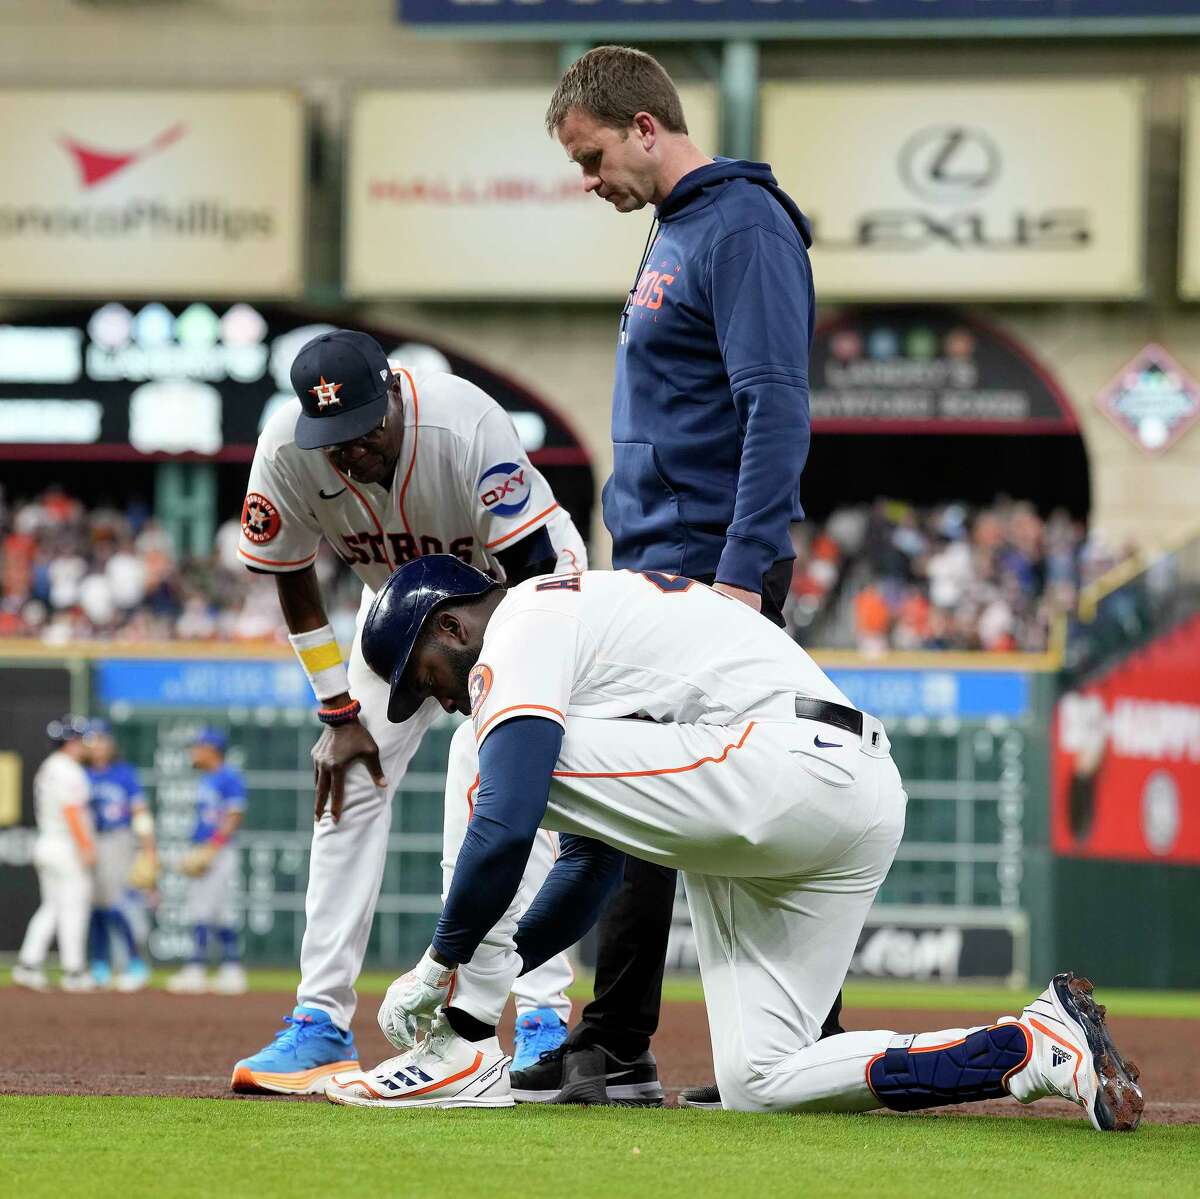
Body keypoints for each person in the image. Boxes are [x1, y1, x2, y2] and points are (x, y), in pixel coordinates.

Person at [324, 558, 1143, 1135]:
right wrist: (493, 964)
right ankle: (1032, 1046)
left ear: (452, 621)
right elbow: (593, 864)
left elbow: (504, 824)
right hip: (838, 798)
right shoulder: (573, 641)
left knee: (484, 753)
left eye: (422, 670)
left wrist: (447, 970)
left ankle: (459, 1047)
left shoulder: (526, 618)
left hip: (785, 764)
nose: (433, 693)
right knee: (763, 1078)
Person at [527, 44, 830, 1107]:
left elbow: (774, 402)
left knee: (684, 804)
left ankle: (647, 1039)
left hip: (708, 568)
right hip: (659, 562)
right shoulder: (680, 226)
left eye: (592, 154)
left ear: (645, 128)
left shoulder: (741, 225)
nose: (588, 179)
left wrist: (743, 574)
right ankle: (628, 1039)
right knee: (656, 804)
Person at [229, 328, 587, 1094]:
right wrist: (337, 711)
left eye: (363, 429)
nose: (350, 452)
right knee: (346, 785)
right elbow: (291, 577)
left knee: (524, 790)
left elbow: (528, 571)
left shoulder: (462, 421)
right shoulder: (288, 448)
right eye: (334, 438)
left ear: (393, 391)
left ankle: (542, 1013)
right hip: (398, 613)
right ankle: (319, 1023)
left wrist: (513, 699)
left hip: (523, 595)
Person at [13, 716, 97, 993]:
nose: (87, 743)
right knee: (74, 909)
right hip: (65, 846)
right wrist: (85, 845)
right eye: (82, 738)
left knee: (51, 907)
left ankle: (28, 964)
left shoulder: (49, 767)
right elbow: (72, 812)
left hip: (47, 842)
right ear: (71, 742)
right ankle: (74, 971)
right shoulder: (69, 770)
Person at [165, 728, 248, 996]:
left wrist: (212, 847)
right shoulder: (208, 779)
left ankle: (196, 969)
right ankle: (231, 969)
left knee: (202, 909)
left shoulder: (227, 777)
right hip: (210, 849)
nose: (194, 752)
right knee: (219, 912)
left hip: (218, 851)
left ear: (211, 749)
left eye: (198, 747)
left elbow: (235, 815)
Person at [85, 718, 156, 991]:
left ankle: (135, 964)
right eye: (93, 741)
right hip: (91, 844)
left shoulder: (123, 773)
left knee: (119, 905)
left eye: (102, 740)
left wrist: (149, 850)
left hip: (118, 840)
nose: (98, 746)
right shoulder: (83, 774)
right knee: (97, 908)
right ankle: (100, 965)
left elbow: (140, 813)